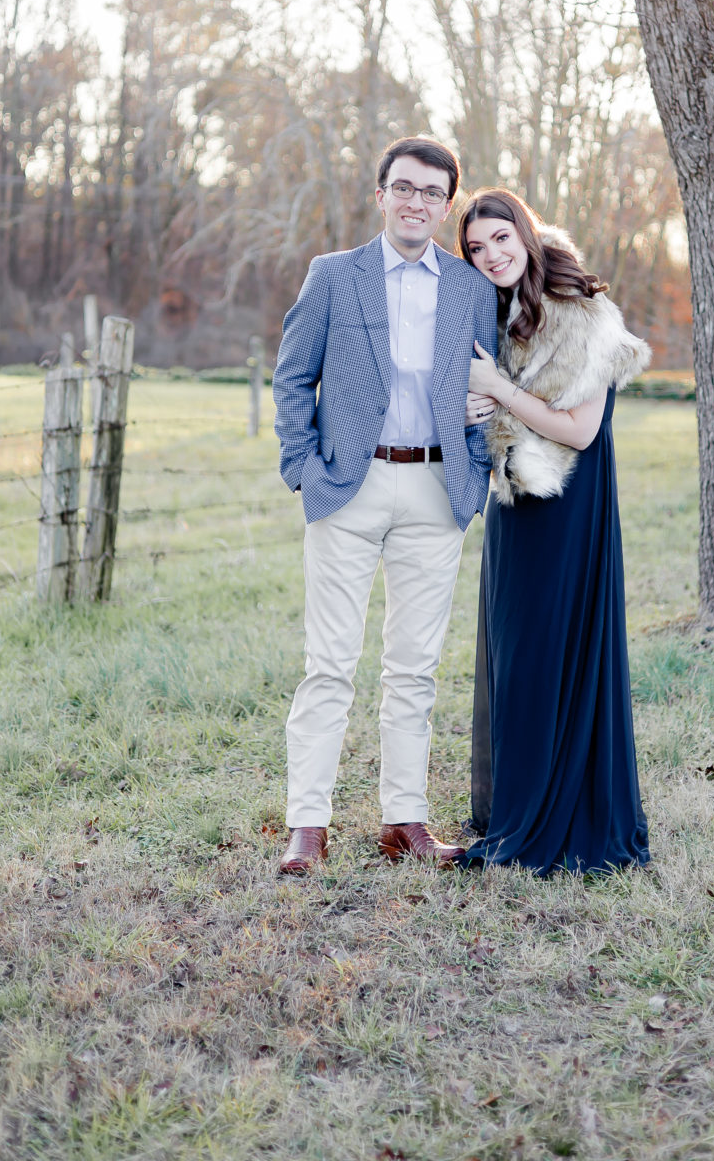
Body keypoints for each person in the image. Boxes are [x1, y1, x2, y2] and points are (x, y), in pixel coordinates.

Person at [271, 137, 497, 875]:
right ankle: (308, 823)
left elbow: (489, 389)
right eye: (404, 187)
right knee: (329, 664)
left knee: (414, 668)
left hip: (436, 492)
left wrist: (477, 478)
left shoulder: (469, 288)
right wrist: (303, 468)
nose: (415, 202)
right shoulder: (335, 276)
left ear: (445, 205)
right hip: (347, 485)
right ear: (380, 194)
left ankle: (405, 820)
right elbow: (291, 376)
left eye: (432, 193)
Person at [457, 189, 652, 876]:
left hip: (566, 508)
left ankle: (564, 816)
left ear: (526, 234)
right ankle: (515, 805)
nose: (491, 256)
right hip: (514, 506)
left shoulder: (582, 314)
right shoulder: (492, 311)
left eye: (500, 239)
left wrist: (500, 392)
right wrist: (480, 400)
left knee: (551, 651)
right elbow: (491, 403)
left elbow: (578, 428)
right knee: (513, 658)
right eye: (476, 248)